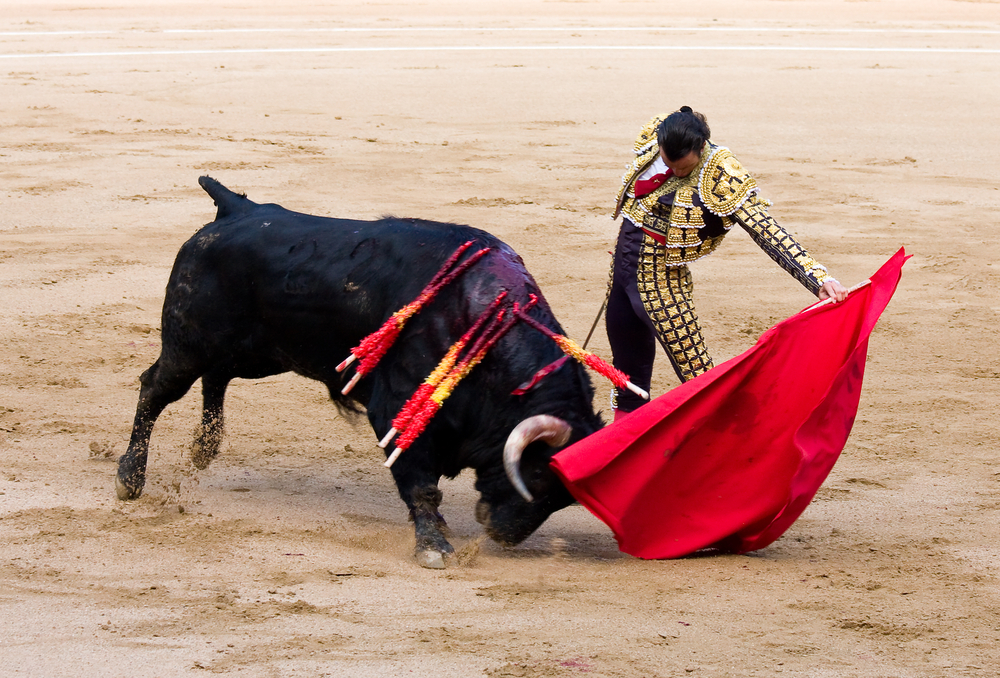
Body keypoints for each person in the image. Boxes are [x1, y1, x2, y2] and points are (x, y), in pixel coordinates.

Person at [605, 106, 848, 420]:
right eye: (669, 163)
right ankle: (618, 456)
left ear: (701, 147)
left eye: (684, 167)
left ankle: (739, 451)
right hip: (622, 274)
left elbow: (766, 230)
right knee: (626, 376)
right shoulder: (656, 137)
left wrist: (817, 278)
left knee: (703, 383)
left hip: (661, 284)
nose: (677, 172)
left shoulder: (720, 172)